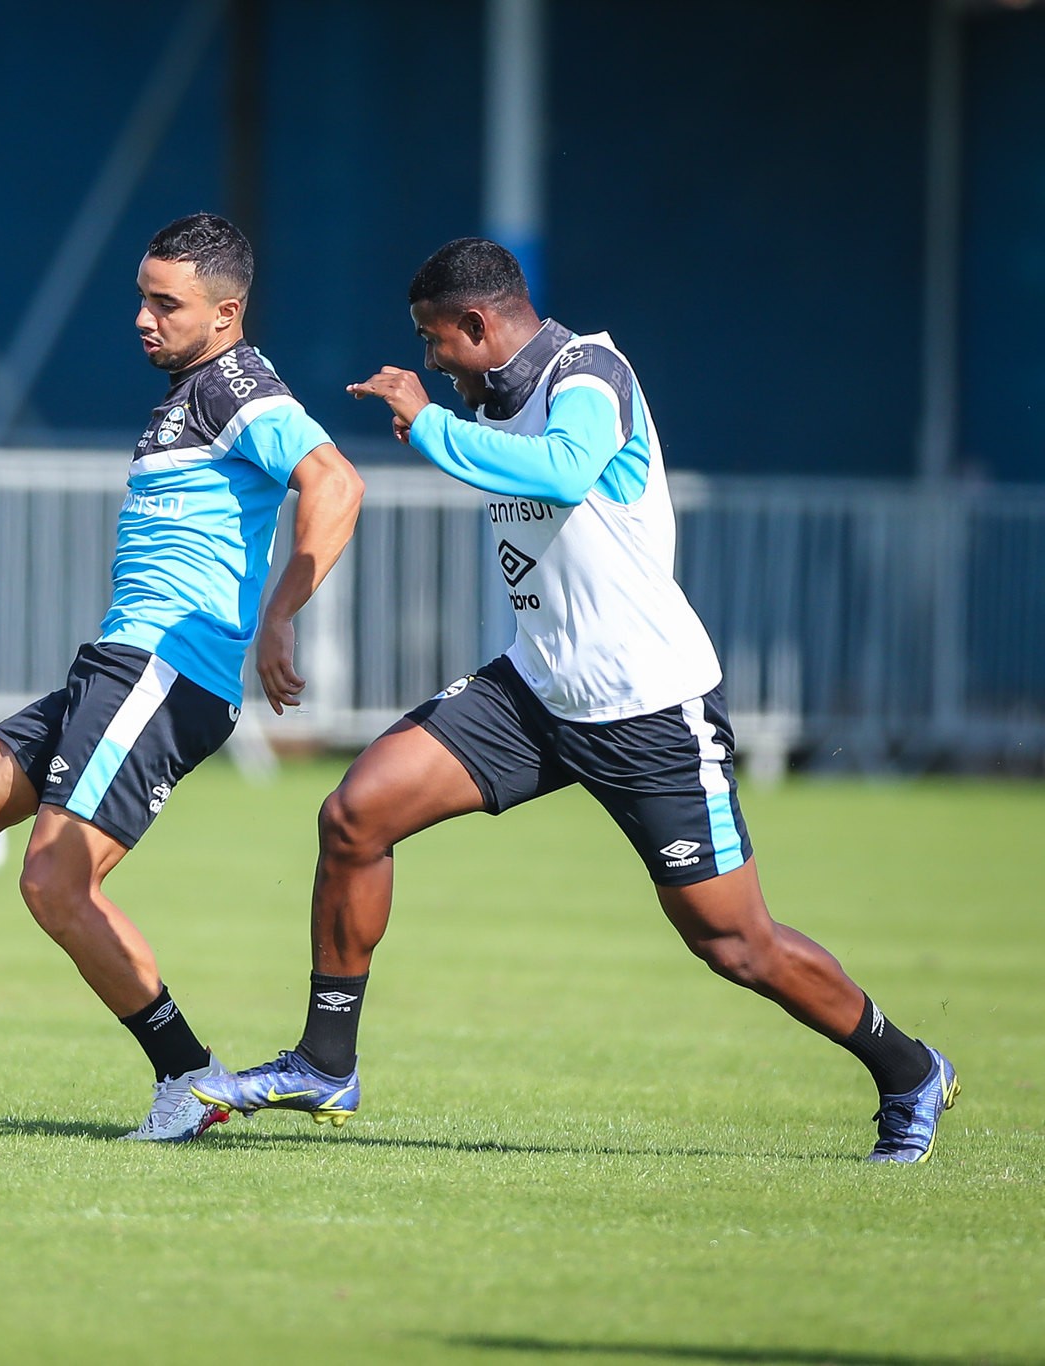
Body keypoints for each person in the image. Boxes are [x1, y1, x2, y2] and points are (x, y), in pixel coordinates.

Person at [192, 237, 958, 1162]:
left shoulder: (589, 368)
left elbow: (562, 468)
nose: (433, 363)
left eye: (438, 343)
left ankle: (908, 1070)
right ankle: (325, 1061)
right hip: (537, 691)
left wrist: (427, 422)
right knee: (356, 816)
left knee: (736, 945)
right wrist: (440, 421)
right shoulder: (493, 396)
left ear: (479, 326)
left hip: (647, 710)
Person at [0, 212, 364, 1141]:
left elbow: (335, 482)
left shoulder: (237, 383)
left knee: (53, 881)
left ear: (227, 313)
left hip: (168, 672)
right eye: (142, 298)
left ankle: (188, 1079)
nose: (144, 318)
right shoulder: (191, 389)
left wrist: (281, 614)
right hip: (118, 665)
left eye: (168, 303)